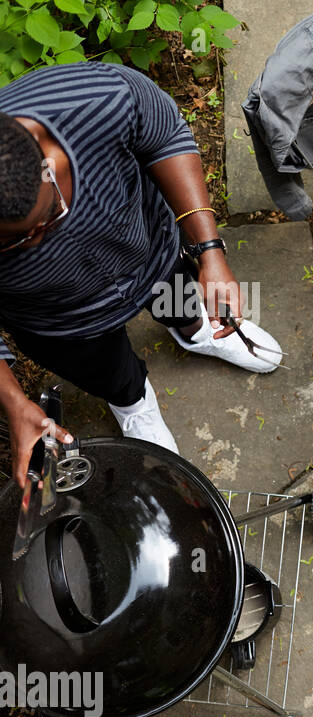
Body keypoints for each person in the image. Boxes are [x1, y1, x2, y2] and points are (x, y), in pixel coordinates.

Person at [0, 62, 282, 485]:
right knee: (105, 368)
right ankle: (133, 404)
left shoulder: (99, 96)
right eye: (15, 242)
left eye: (48, 216)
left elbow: (166, 136)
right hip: (60, 319)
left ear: (45, 151)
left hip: (148, 251)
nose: (39, 241)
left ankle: (196, 331)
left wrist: (210, 254)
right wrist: (14, 402)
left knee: (180, 297)